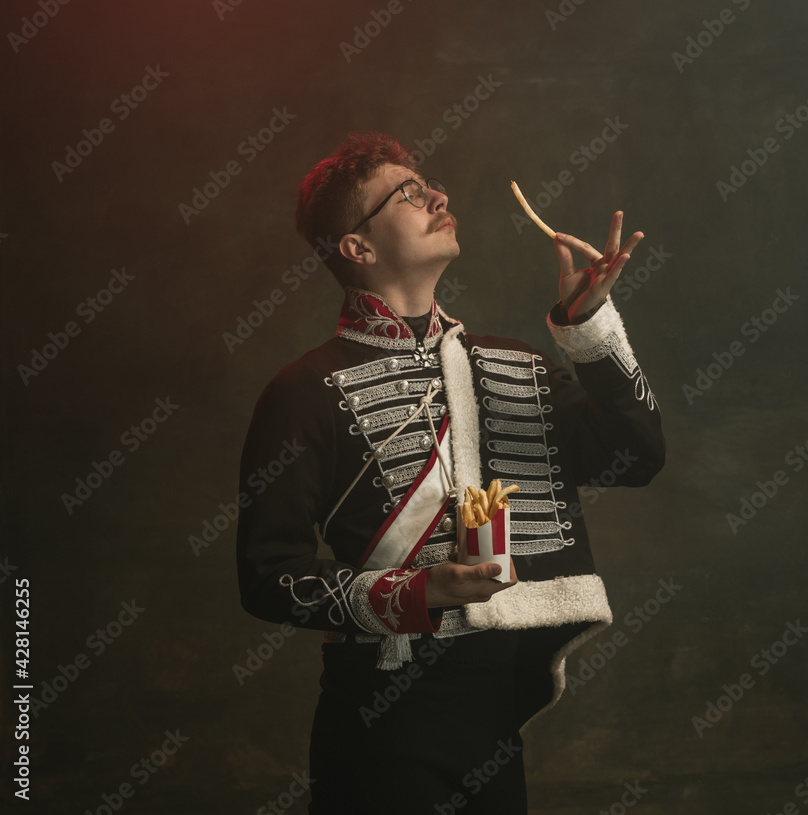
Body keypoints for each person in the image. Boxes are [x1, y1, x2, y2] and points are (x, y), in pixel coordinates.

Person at [236, 131, 666, 814]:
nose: (436, 194)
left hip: (493, 709)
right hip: (378, 718)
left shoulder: (517, 365)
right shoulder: (303, 390)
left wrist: (587, 326)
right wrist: (415, 591)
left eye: (427, 183)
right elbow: (265, 575)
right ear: (357, 246)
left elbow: (638, 455)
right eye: (406, 193)